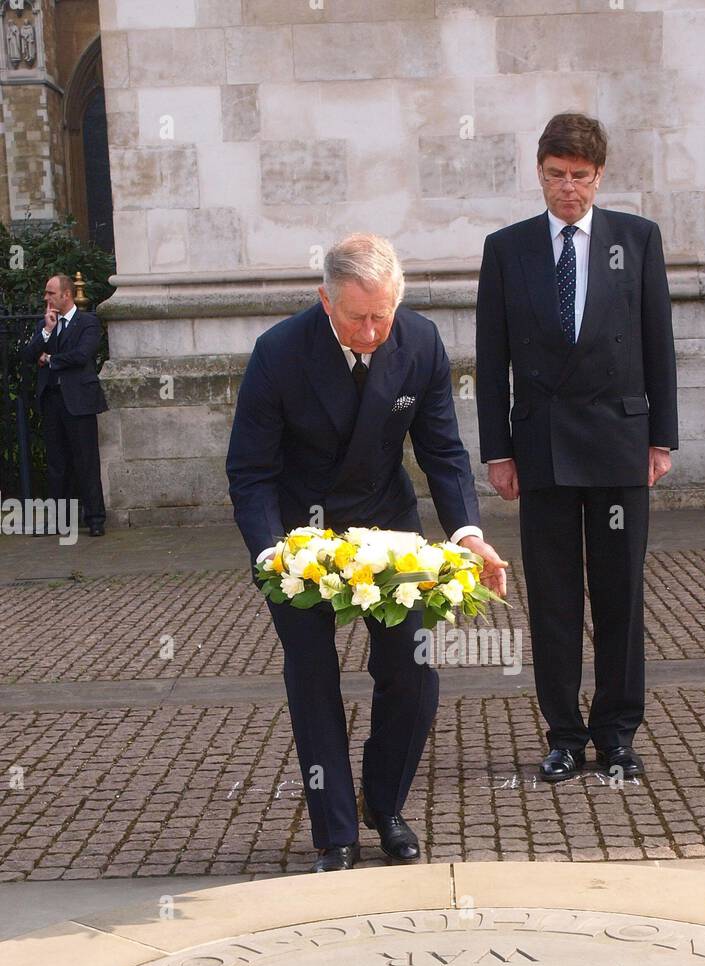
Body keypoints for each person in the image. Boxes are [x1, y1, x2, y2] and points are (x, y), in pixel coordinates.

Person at [226, 233, 508, 872]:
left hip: (387, 526)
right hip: (300, 538)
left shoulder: (421, 342)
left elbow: (441, 451)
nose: (374, 331)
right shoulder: (278, 354)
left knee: (413, 674)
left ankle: (386, 807)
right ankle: (335, 831)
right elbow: (250, 471)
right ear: (325, 299)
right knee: (313, 677)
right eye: (358, 317)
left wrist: (466, 534)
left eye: (384, 314)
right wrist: (273, 553)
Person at [475, 112, 678, 784]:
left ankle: (617, 734)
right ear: (539, 173)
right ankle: (563, 734)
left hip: (620, 442)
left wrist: (662, 438)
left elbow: (657, 344)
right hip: (543, 450)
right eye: (557, 176)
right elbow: (491, 355)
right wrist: (497, 451)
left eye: (581, 177)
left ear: (599, 176)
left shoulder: (637, 240)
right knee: (556, 598)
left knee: (619, 595)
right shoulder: (507, 249)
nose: (569, 189)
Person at [22, 274, 108, 536]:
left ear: (66, 295)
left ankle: (95, 518)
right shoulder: (46, 324)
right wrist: (47, 332)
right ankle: (62, 520)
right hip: (52, 400)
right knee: (57, 463)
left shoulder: (87, 322)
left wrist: (49, 359)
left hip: (79, 401)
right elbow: (27, 355)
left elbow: (82, 355)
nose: (46, 298)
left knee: (86, 461)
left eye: (50, 293)